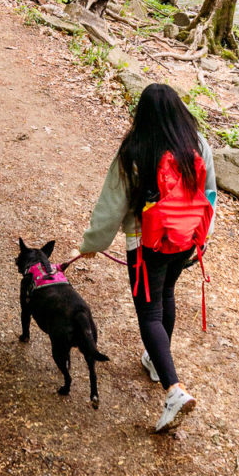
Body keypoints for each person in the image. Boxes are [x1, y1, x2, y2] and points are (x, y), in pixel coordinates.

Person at [79, 82, 216, 432]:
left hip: (147, 244)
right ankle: (156, 361)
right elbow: (210, 193)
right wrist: (202, 237)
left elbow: (111, 206)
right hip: (185, 239)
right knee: (166, 294)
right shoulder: (197, 144)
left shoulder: (135, 150)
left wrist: (92, 244)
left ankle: (174, 390)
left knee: (149, 313)